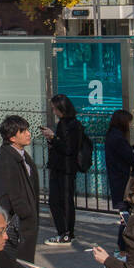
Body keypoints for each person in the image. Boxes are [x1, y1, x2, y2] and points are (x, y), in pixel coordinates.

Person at [0, 115, 40, 262]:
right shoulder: (6, 158)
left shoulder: (21, 154)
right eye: (23, 131)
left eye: (27, 130)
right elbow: (9, 193)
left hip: (27, 220)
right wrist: (25, 213)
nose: (28, 134)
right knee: (18, 262)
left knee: (25, 260)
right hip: (19, 222)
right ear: (12, 137)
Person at [42, 94, 83, 248]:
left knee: (61, 201)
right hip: (62, 168)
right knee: (58, 201)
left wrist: (53, 138)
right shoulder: (67, 124)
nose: (53, 111)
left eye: (54, 108)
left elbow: (68, 148)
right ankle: (65, 232)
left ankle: (65, 232)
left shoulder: (70, 125)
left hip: (64, 168)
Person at [104, 110, 134, 212]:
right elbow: (131, 158)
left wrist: (133, 147)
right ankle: (127, 228)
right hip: (123, 178)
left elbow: (124, 153)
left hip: (117, 177)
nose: (130, 125)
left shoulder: (112, 135)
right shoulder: (118, 138)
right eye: (129, 122)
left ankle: (126, 227)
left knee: (124, 210)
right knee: (125, 209)